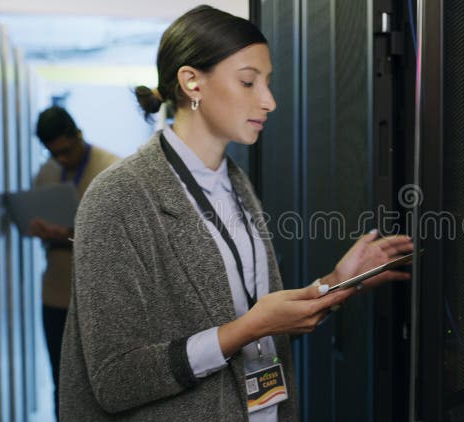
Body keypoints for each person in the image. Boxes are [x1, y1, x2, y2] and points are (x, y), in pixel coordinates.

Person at [58, 5, 413, 421]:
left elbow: (258, 322)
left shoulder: (235, 184)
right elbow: (116, 379)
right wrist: (249, 328)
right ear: (192, 82)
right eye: (248, 82)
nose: (269, 101)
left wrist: (336, 283)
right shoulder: (118, 197)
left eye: (268, 83)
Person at [31, 106, 119, 416]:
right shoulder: (47, 173)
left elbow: (115, 240)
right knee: (61, 383)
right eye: (55, 154)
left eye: (66, 151)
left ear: (79, 134)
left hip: (99, 299)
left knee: (103, 387)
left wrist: (67, 235)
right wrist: (40, 229)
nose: (62, 160)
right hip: (56, 295)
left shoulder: (111, 170)